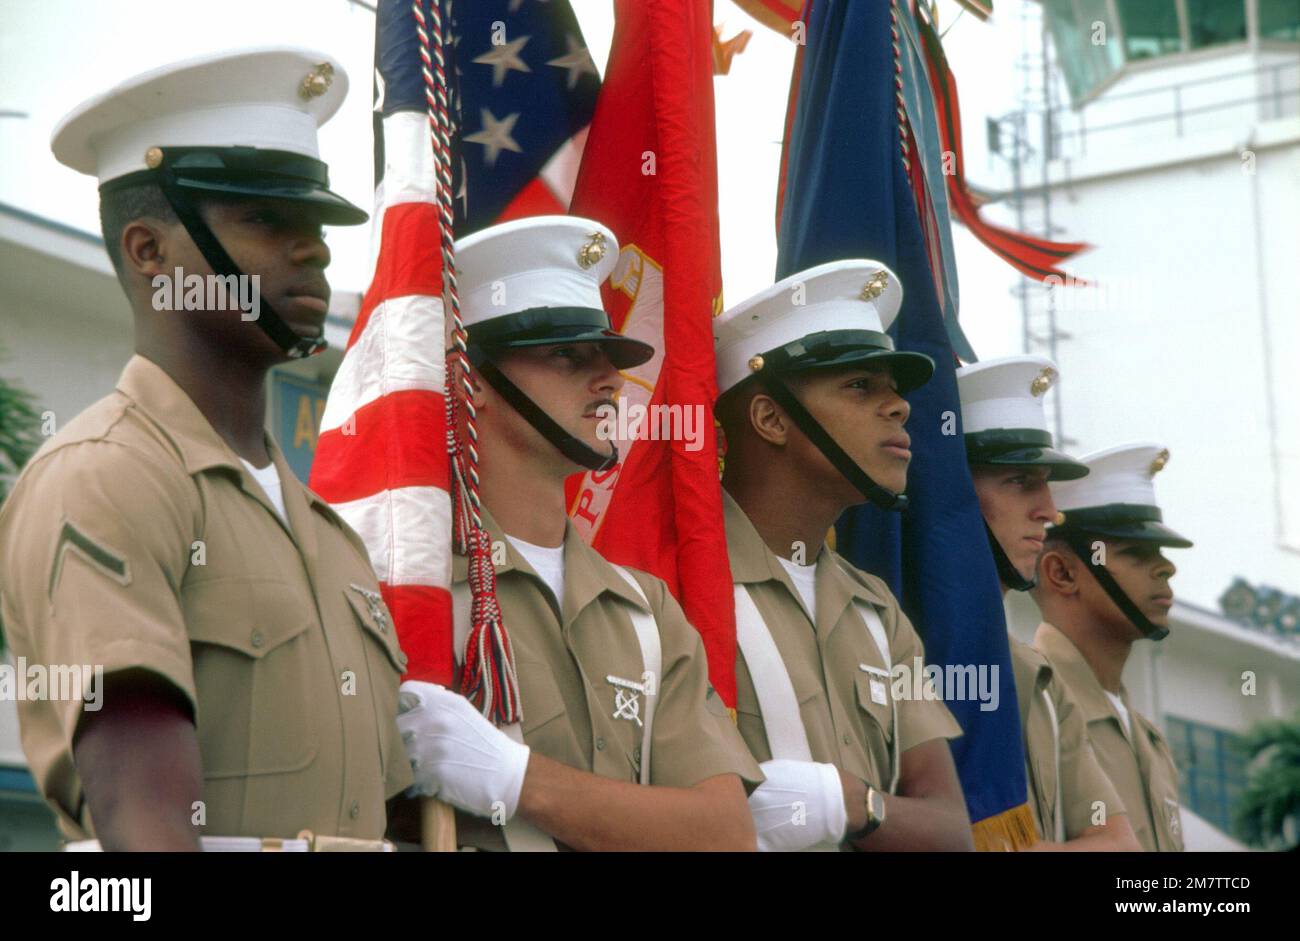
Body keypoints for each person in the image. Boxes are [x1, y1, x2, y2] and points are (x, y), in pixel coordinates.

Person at [0, 48, 408, 850]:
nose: (316, 248)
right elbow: (146, 840)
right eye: (265, 219)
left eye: (317, 224)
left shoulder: (330, 536)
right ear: (150, 252)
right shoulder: (105, 476)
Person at [395, 216, 762, 851]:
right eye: (566, 354)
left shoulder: (648, 611)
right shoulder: (409, 581)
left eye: (608, 357)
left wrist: (517, 781)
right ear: (469, 381)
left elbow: (724, 835)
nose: (610, 381)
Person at [709, 260, 972, 851]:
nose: (899, 407)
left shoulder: (876, 611)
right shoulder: (678, 584)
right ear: (771, 418)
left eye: (893, 388)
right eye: (860, 386)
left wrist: (856, 805)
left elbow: (952, 832)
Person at [956, 355, 1139, 851]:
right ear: (953, 490)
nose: (1050, 511)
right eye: (1019, 482)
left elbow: (1120, 846)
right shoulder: (899, 651)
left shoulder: (1034, 677)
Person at [1032, 442, 1191, 851]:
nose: (1166, 567)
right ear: (1062, 573)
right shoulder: (1029, 704)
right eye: (1135, 552)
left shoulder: (1148, 739)